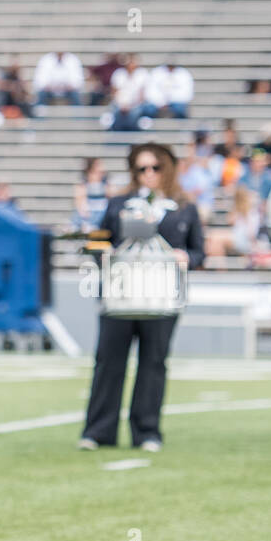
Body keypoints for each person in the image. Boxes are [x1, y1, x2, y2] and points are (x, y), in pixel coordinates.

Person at [79, 142, 204, 453]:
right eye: (141, 168)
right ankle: (98, 431)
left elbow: (199, 251)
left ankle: (147, 432)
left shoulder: (184, 207)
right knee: (108, 362)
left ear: (168, 168)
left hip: (162, 298)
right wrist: (103, 254)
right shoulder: (118, 203)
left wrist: (185, 257)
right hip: (120, 295)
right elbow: (97, 240)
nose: (149, 174)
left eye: (155, 167)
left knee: (153, 363)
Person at [73, 156, 111, 231]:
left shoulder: (107, 185)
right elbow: (80, 206)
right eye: (98, 165)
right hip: (87, 221)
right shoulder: (82, 186)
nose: (102, 169)